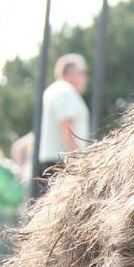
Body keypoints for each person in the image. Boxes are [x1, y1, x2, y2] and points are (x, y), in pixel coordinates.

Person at [37, 54, 90, 190]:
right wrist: (78, 159)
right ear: (71, 72)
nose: (85, 78)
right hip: (63, 163)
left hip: (54, 161)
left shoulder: (54, 90)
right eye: (82, 72)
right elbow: (66, 126)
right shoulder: (65, 91)